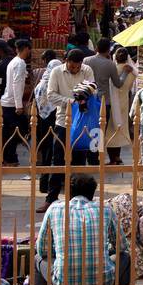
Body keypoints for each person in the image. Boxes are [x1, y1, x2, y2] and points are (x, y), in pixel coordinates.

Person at [33, 173, 130, 285]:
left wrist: (61, 252)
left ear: (69, 191)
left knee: (37, 258)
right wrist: (103, 249)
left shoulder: (54, 208)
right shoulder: (106, 209)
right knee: (125, 257)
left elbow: (42, 250)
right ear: (92, 193)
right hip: (104, 283)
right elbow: (122, 246)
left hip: (63, 284)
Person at [42, 49, 95, 205]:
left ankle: (77, 200)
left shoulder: (87, 70)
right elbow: (51, 96)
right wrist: (71, 102)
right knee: (57, 160)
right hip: (62, 121)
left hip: (82, 123)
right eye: (73, 67)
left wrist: (84, 95)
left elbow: (92, 89)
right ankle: (51, 199)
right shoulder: (57, 72)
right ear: (66, 61)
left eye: (78, 67)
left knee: (79, 162)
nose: (75, 70)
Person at [84, 38, 126, 165]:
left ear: (96, 48)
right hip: (103, 102)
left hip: (88, 99)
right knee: (100, 129)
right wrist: (124, 73)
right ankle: (96, 156)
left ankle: (88, 155)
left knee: (87, 127)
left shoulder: (87, 61)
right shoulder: (110, 64)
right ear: (108, 50)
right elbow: (118, 84)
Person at [31, 49, 62, 193]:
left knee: (45, 153)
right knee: (56, 153)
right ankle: (52, 183)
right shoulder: (56, 83)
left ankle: (44, 184)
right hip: (55, 121)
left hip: (42, 122)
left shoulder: (41, 83)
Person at [0, 38, 32, 167]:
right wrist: (19, 105)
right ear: (26, 49)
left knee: (9, 133)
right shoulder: (20, 63)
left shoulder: (13, 62)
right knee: (14, 133)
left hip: (8, 101)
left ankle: (8, 158)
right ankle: (10, 158)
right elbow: (17, 84)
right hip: (12, 103)